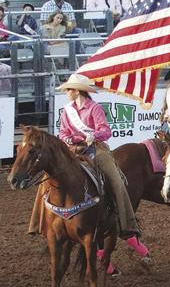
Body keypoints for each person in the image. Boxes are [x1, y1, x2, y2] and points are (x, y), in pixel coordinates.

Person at [53, 74, 143, 240]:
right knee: (51, 175)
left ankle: (127, 223)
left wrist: (93, 135)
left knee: (116, 181)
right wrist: (71, 139)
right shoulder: (68, 110)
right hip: (73, 150)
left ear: (77, 91)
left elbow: (106, 131)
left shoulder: (94, 108)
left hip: (96, 149)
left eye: (68, 89)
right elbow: (63, 133)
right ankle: (40, 222)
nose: (66, 92)